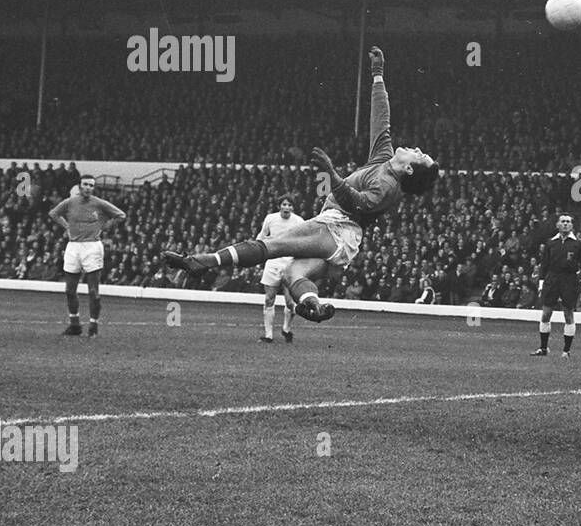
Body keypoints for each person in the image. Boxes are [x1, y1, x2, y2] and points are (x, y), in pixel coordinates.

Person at [163, 47, 440, 323]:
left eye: (420, 154)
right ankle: (313, 304)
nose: (416, 148)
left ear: (410, 168)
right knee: (292, 273)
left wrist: (332, 174)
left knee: (270, 245)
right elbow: (381, 119)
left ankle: (201, 262)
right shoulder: (384, 159)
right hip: (339, 237)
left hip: (339, 228)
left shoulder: (388, 186)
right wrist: (377, 74)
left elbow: (357, 202)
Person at [48, 176, 127, 338]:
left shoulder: (98, 203)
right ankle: (75, 324)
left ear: (93, 188)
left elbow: (121, 215)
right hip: (73, 247)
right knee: (70, 290)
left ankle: (93, 325)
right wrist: (66, 226)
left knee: (93, 291)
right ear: (80, 186)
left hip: (92, 247)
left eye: (91, 185)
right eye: (85, 184)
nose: (88, 188)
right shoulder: (70, 202)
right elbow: (54, 213)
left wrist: (105, 227)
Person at [531, 213, 581, 359]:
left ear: (572, 225)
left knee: (568, 314)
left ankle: (566, 351)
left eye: (568, 222)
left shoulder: (578, 244)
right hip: (552, 279)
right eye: (562, 221)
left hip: (569, 280)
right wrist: (541, 283)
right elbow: (544, 264)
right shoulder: (551, 243)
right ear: (557, 224)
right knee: (546, 314)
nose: (565, 224)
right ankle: (543, 348)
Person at [256, 194, 304, 343]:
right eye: (284, 204)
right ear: (279, 206)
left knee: (291, 303)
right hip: (273, 262)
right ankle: (268, 335)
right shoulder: (270, 218)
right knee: (269, 299)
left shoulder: (299, 221)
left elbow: (302, 242)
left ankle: (286, 329)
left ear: (293, 207)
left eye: (289, 205)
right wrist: (256, 252)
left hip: (290, 264)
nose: (286, 208)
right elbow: (262, 236)